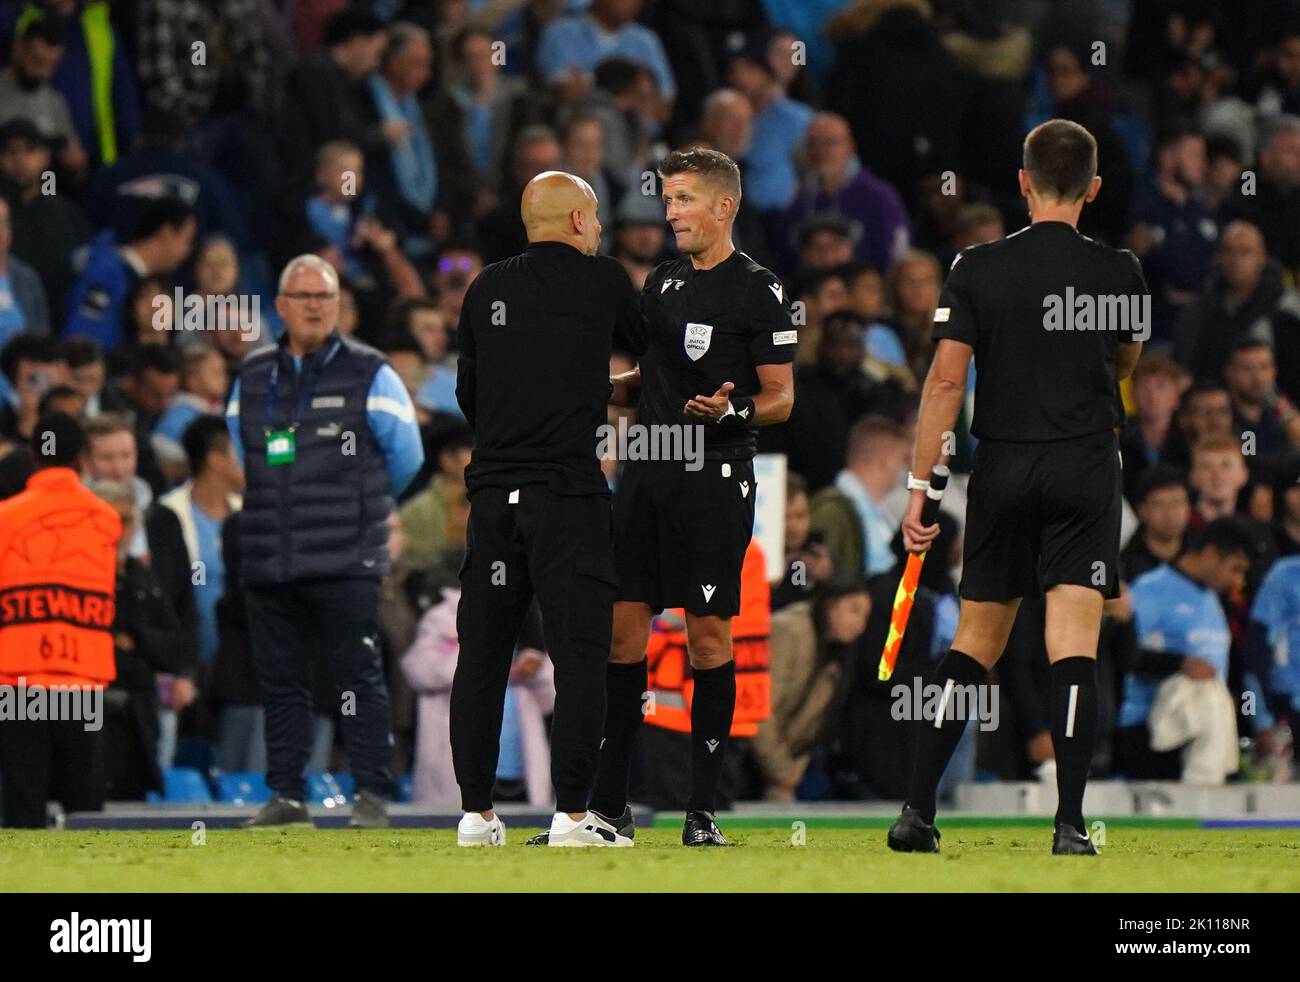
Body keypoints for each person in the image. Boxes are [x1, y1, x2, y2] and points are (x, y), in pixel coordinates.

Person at [887, 119, 1146, 856]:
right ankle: (1068, 825)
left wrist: (920, 489)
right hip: (1086, 466)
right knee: (1072, 647)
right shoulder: (1121, 270)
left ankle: (915, 812)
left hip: (1001, 468)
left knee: (973, 646)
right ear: (1093, 188)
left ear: (1024, 183)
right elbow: (1126, 361)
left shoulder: (975, 267)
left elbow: (944, 381)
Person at [596, 147, 795, 847]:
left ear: (724, 207)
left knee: (708, 637)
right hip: (646, 476)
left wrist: (731, 414)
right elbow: (649, 380)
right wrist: (596, 387)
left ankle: (702, 812)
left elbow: (781, 398)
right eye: (668, 199)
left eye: (683, 200)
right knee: (623, 635)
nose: (671, 212)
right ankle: (609, 810)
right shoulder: (662, 282)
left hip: (713, 480)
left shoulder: (759, 289)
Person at [450, 170, 644, 848]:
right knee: (580, 655)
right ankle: (570, 815)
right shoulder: (604, 281)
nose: (597, 228)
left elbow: (468, 393)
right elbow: (662, 359)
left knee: (482, 654)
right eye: (592, 216)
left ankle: (476, 816)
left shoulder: (485, 288)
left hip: (493, 498)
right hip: (567, 495)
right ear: (574, 221)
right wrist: (606, 389)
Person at [225, 254, 424, 829]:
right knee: (280, 681)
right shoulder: (253, 372)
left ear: (337, 306)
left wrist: (356, 505)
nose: (314, 306)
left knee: (358, 677)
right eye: (303, 296)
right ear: (281, 305)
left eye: (325, 297)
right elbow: (246, 456)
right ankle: (286, 796)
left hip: (345, 557)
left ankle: (370, 796)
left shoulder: (371, 370)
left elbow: (407, 460)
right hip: (270, 556)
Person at [0, 412, 121, 827]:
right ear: (82, 458)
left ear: (34, 454)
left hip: (19, 679)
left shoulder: (6, 518)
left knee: (22, 804)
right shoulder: (105, 519)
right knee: (85, 807)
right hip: (80, 678)